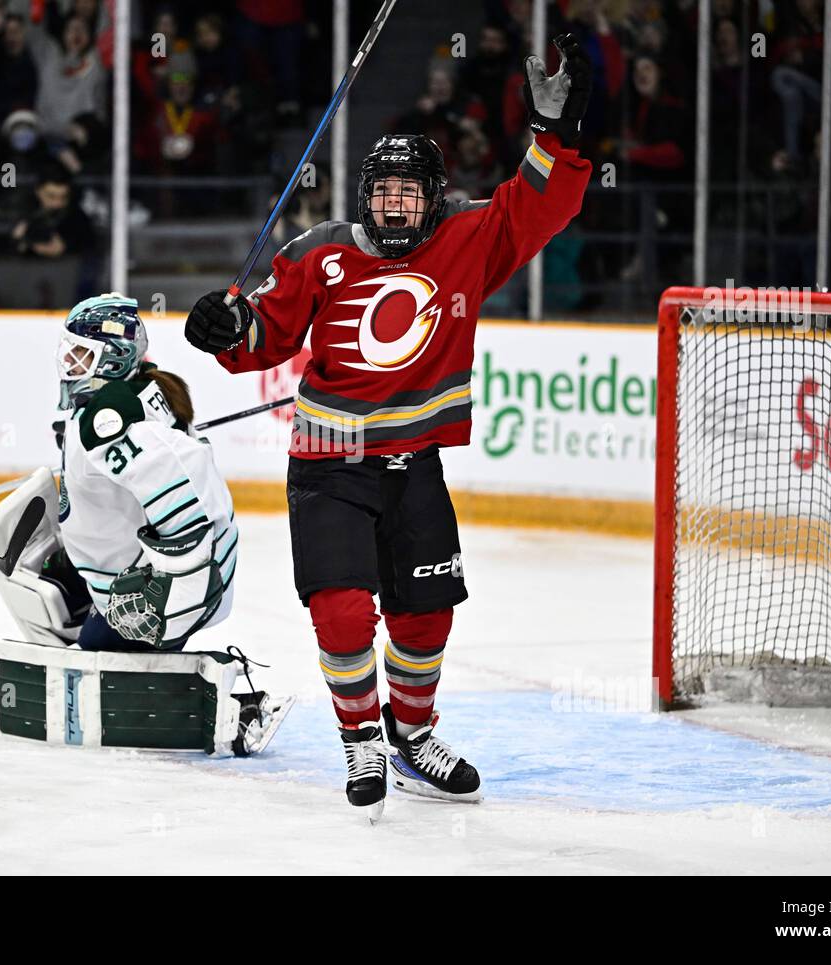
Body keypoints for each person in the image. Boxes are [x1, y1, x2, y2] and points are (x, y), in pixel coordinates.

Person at [183, 35, 592, 815]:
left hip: (415, 462)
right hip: (329, 462)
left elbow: (542, 206)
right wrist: (226, 330)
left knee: (426, 614)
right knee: (342, 610)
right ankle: (361, 737)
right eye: (383, 191)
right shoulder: (322, 252)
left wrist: (555, 135)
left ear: (435, 197)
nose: (395, 205)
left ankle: (412, 735)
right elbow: (263, 334)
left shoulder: (467, 238)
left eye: (409, 192)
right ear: (364, 195)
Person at [54, 293, 237, 652]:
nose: (68, 362)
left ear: (112, 358)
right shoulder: (141, 389)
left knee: (88, 651)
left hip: (134, 599)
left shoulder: (106, 418)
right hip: (118, 576)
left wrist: (179, 587)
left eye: (80, 353)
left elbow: (185, 482)